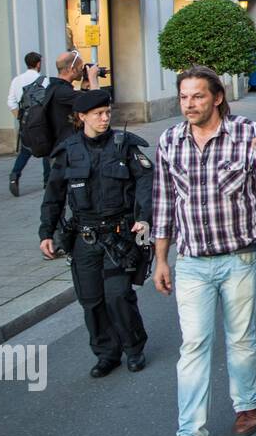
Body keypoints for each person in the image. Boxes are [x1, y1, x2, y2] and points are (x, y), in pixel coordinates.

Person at [153, 67, 256, 436]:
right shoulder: (169, 141)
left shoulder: (247, 135)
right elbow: (164, 202)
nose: (189, 105)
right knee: (194, 346)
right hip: (192, 262)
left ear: (217, 97)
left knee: (239, 338)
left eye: (198, 97)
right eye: (184, 97)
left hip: (238, 257)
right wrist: (161, 258)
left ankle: (246, 405)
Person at [39, 89, 153, 379]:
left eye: (107, 113)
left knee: (117, 294)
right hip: (83, 237)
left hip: (118, 236)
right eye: (98, 114)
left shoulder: (124, 145)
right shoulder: (68, 151)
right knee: (91, 299)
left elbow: (145, 182)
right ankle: (106, 353)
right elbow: (54, 195)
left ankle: (133, 348)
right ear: (82, 117)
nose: (105, 118)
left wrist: (143, 218)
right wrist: (46, 232)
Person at [9, 51, 49, 195]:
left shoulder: (16, 80)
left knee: (25, 149)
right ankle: (47, 181)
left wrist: (20, 117)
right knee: (46, 149)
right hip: (41, 120)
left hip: (25, 119)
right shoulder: (44, 80)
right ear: (38, 64)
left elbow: (11, 103)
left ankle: (14, 175)